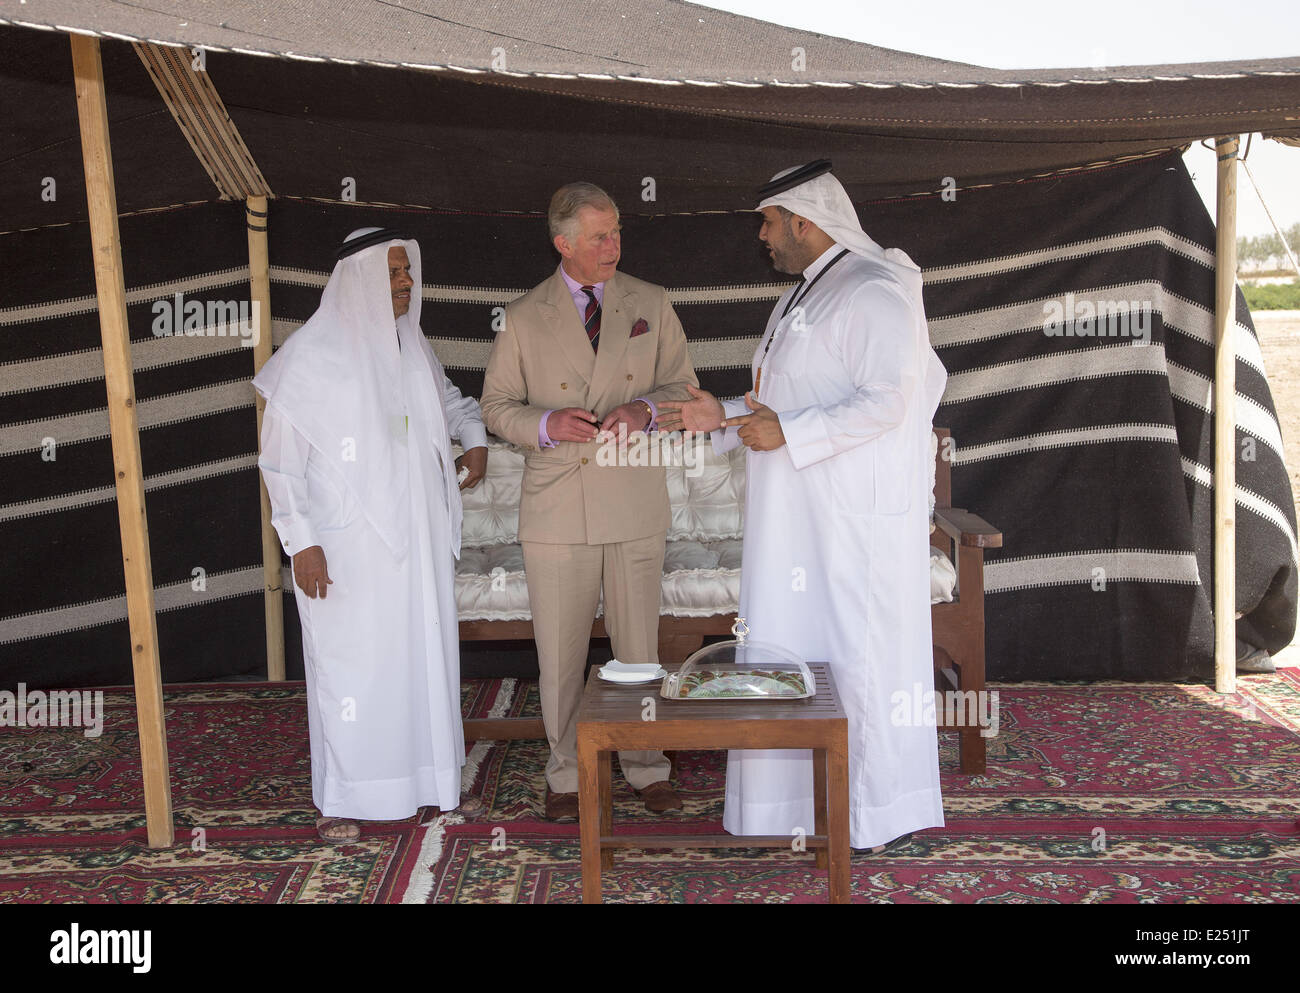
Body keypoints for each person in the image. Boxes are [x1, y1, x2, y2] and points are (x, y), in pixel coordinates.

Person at [658, 161, 947, 852]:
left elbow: (889, 400)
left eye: (767, 220)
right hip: (794, 525)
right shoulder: (808, 293)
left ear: (803, 220)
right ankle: (785, 806)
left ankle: (870, 813)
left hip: (849, 527)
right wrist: (722, 412)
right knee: (788, 653)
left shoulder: (874, 290)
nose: (761, 235)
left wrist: (790, 431)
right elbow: (786, 398)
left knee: (856, 657)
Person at [253, 226, 489, 843]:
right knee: (356, 667)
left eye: (407, 272)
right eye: (392, 274)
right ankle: (358, 791)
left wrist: (477, 441)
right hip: (346, 548)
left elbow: (455, 404)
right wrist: (300, 541)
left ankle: (428, 780)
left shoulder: (412, 345)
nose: (406, 283)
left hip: (420, 540)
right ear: (357, 280)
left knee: (420, 659)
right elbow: (279, 464)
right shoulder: (309, 359)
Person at [480, 183, 698, 821]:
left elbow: (685, 385)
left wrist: (647, 407)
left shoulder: (651, 302)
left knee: (638, 650)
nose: (614, 246)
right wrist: (547, 425)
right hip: (557, 504)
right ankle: (568, 774)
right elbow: (496, 407)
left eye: (618, 232)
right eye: (600, 237)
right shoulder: (523, 317)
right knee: (562, 653)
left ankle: (646, 765)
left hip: (632, 497)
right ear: (563, 244)